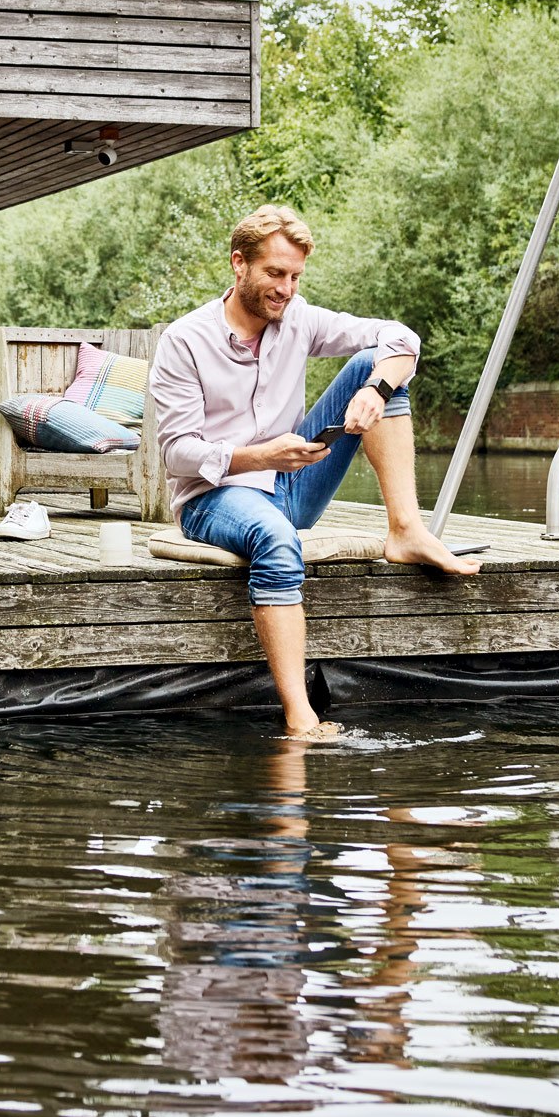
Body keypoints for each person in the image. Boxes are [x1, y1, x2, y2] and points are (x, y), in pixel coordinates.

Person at [148, 205, 480, 738]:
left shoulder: (299, 318)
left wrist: (375, 390)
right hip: (214, 497)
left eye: (296, 277)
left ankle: (405, 529)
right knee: (276, 538)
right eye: (275, 274)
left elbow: (402, 338)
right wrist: (262, 457)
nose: (286, 289)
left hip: (292, 482)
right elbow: (179, 454)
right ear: (239, 264)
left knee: (372, 367)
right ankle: (301, 717)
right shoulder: (184, 341)